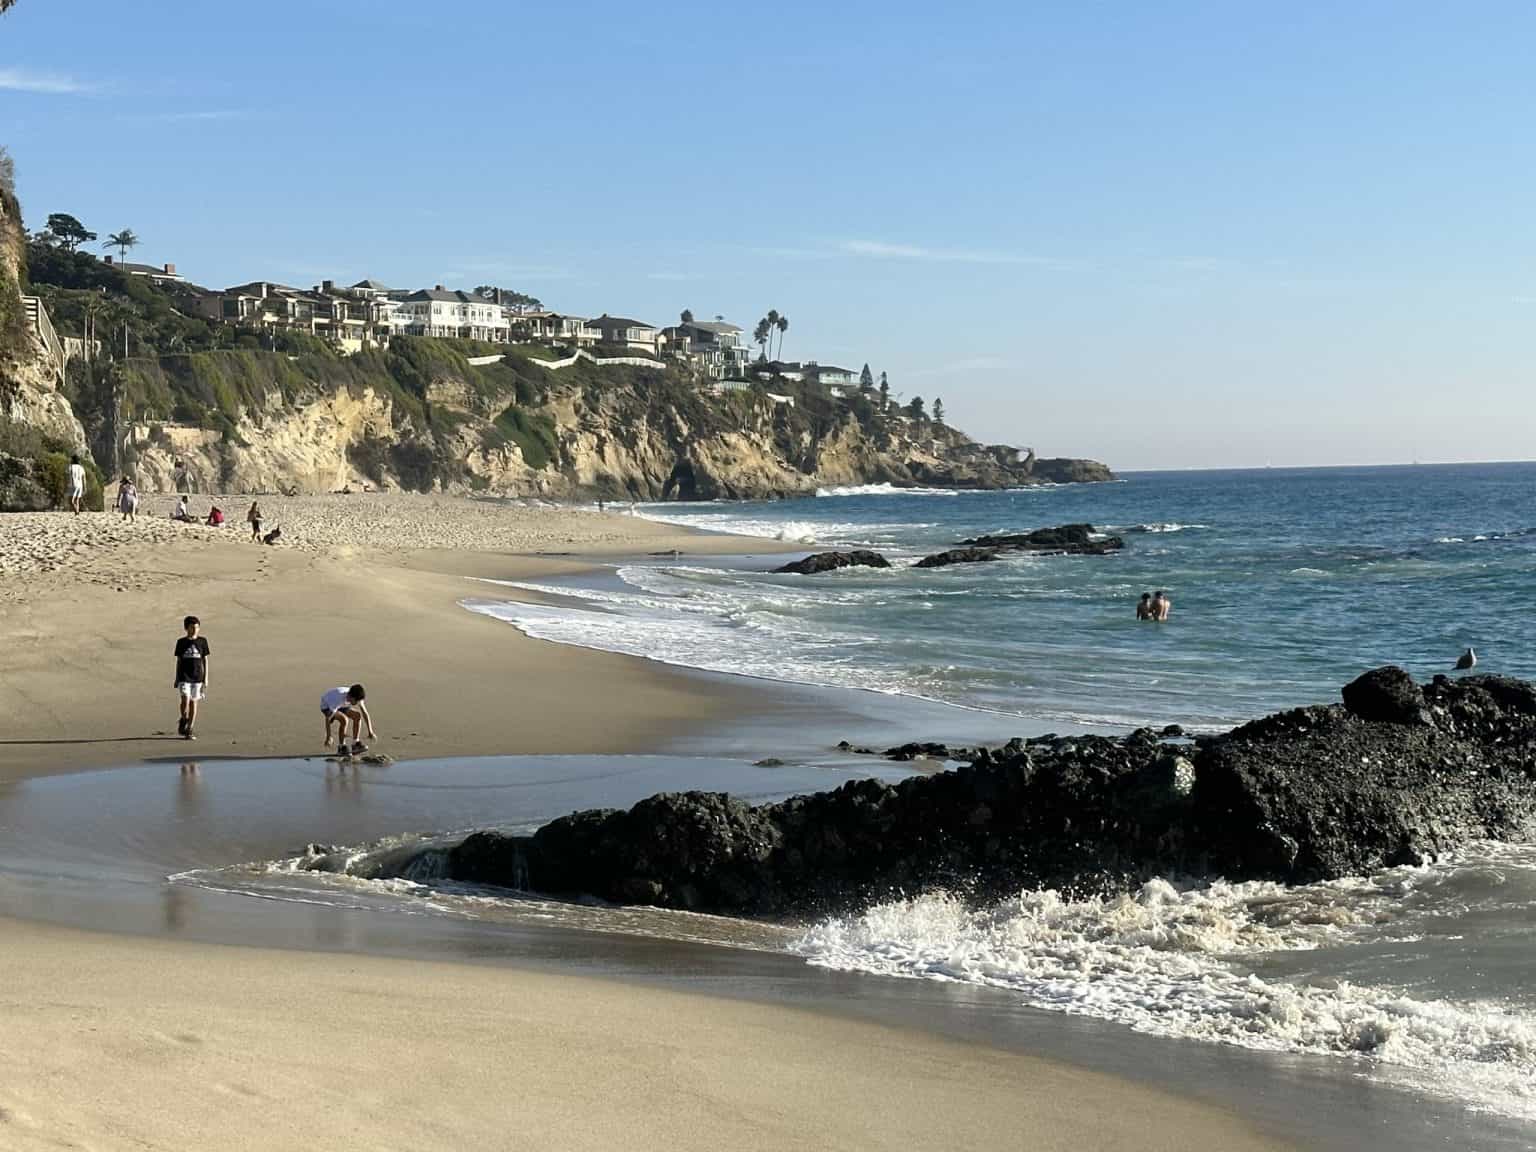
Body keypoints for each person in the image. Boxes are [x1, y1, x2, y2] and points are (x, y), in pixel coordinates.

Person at [173, 615, 210, 740]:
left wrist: (205, 678)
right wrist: (177, 678)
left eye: (197, 627)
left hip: (197, 677)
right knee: (185, 700)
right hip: (184, 676)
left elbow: (205, 660)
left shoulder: (202, 641)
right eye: (192, 628)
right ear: (186, 628)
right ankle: (184, 718)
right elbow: (178, 661)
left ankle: (190, 728)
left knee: (194, 702)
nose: (194, 630)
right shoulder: (181, 642)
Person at [321, 683, 376, 754]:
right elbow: (328, 718)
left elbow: (365, 713)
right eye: (355, 701)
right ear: (350, 696)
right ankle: (341, 747)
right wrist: (328, 737)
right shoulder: (338, 698)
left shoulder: (357, 697)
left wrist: (370, 731)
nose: (356, 703)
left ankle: (355, 743)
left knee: (357, 715)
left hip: (343, 706)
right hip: (326, 706)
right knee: (344, 720)